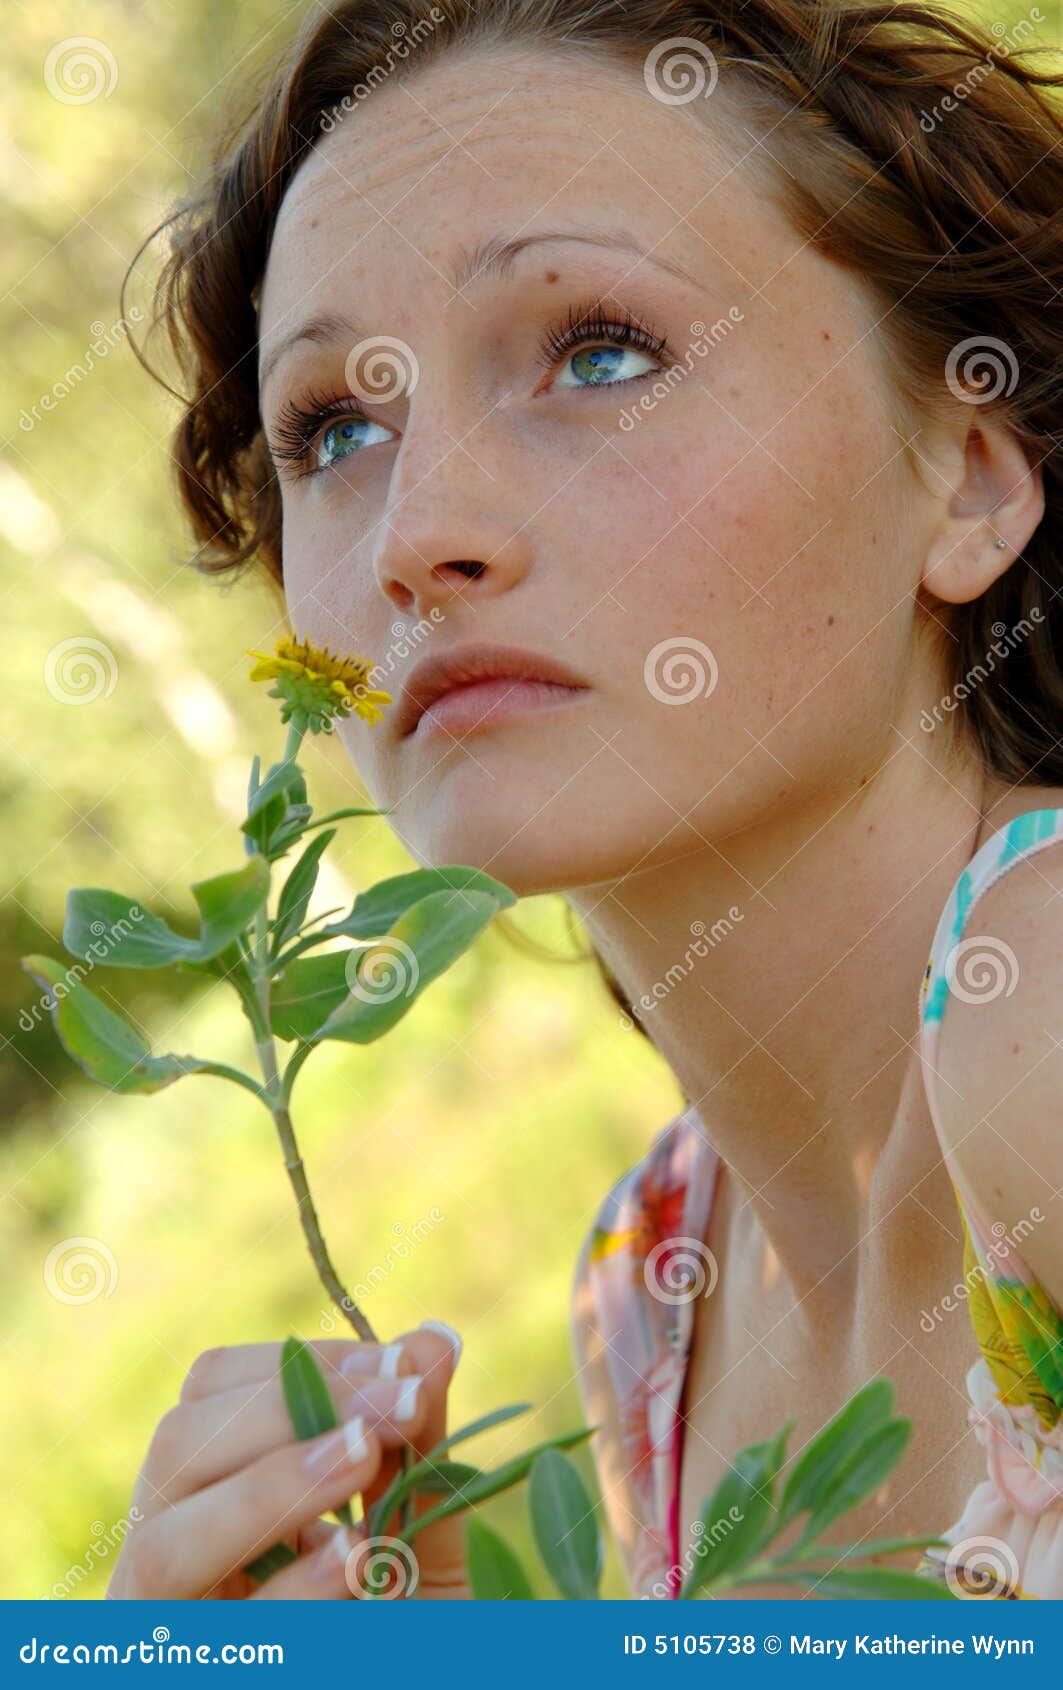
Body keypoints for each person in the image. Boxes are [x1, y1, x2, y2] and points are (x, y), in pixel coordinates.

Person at [110, 0, 1063, 1598]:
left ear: (963, 472)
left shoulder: (1040, 999)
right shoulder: (647, 1289)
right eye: (335, 425)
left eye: (600, 350)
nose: (419, 533)